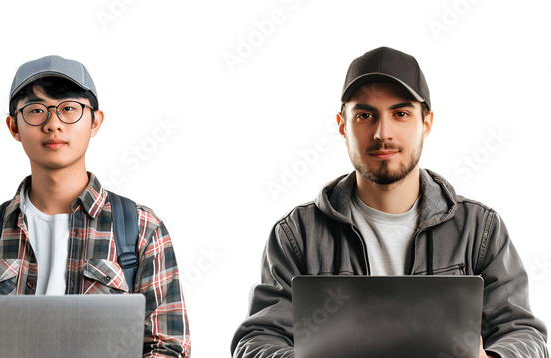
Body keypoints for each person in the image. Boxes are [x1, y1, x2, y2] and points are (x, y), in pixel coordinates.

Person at [231, 47, 548, 358]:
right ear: (343, 125)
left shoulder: (480, 229)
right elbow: (258, 340)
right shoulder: (297, 235)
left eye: (401, 114)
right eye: (365, 115)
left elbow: (524, 334)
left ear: (426, 122)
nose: (383, 133)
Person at [0, 55, 191, 357]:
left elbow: (169, 346)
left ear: (95, 122)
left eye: (69, 109)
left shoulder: (142, 229)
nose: (53, 124)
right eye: (36, 110)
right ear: (13, 127)